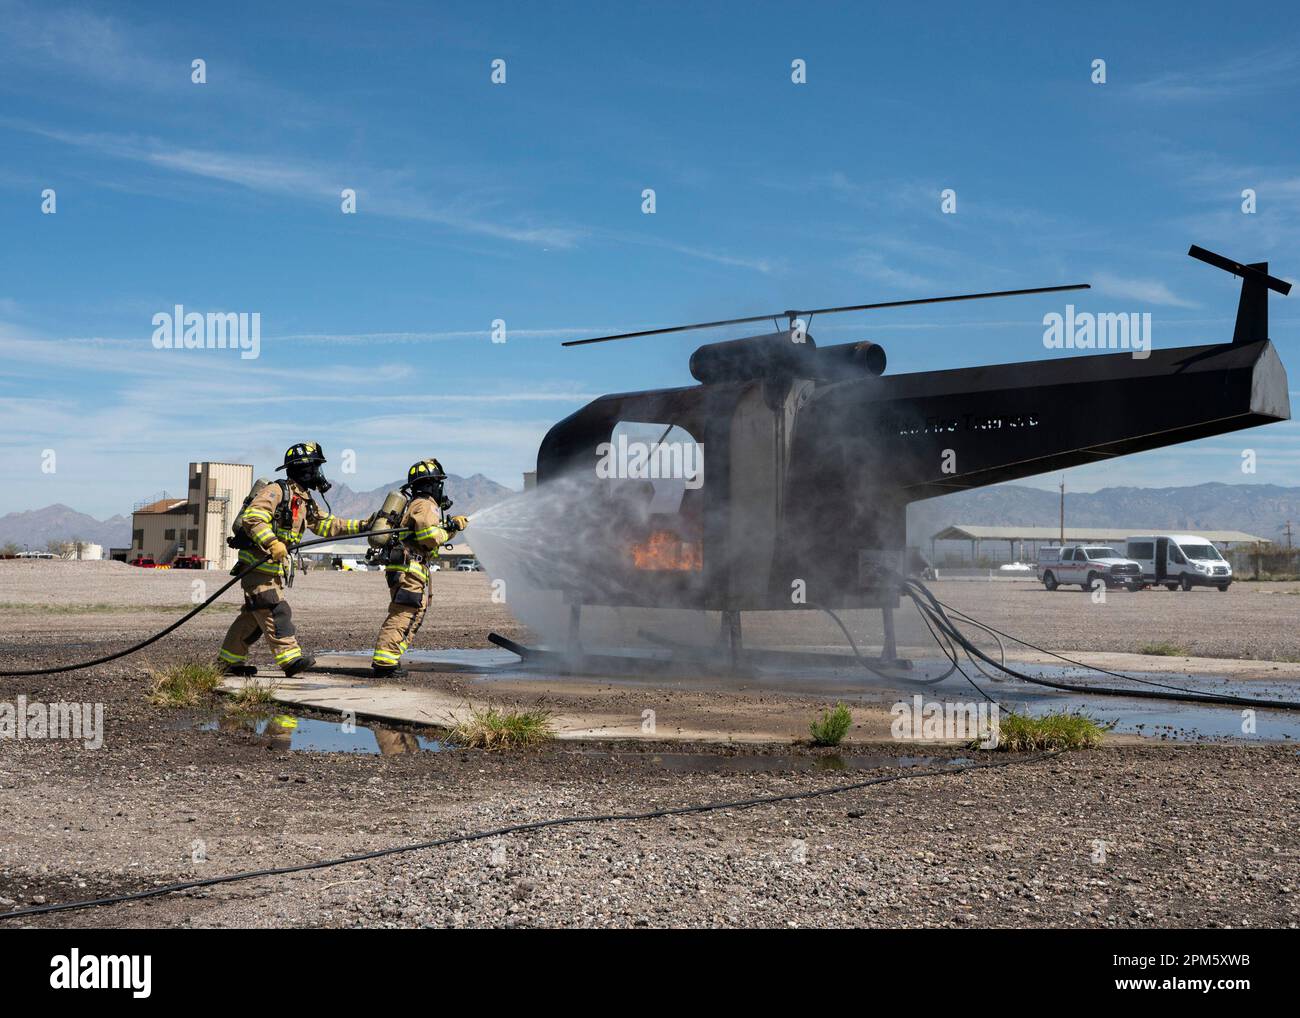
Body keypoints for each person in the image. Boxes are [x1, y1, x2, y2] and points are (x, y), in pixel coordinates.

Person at [217, 442, 370, 677]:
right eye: (316, 468)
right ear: (305, 469)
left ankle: (228, 662)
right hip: (257, 567)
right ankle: (290, 660)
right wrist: (272, 542)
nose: (319, 474)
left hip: (271, 569)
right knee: (276, 610)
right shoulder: (277, 491)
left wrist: (362, 526)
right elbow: (253, 518)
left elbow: (327, 524)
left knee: (252, 619)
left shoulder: (304, 499)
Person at [371, 457, 468, 677]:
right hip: (410, 568)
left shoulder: (416, 504)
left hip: (409, 568)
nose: (440, 489)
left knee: (413, 610)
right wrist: (451, 528)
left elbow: (425, 533)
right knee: (404, 612)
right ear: (431, 484)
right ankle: (384, 663)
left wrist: (450, 528)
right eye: (437, 483)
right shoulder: (425, 504)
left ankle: (389, 658)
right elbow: (429, 537)